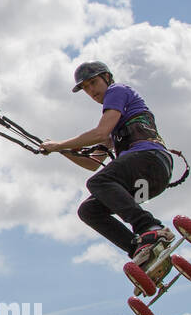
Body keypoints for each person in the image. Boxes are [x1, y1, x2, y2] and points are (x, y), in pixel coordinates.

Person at [39, 61, 174, 263]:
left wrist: (58, 145)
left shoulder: (117, 90)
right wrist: (62, 150)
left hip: (150, 160)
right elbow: (93, 163)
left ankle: (150, 228)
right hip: (145, 178)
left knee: (98, 182)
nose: (91, 90)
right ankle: (142, 251)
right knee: (89, 210)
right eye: (86, 88)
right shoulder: (114, 122)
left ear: (107, 78)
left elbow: (99, 132)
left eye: (93, 82)